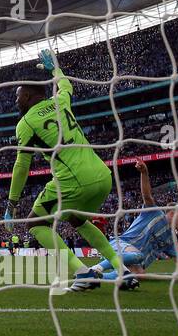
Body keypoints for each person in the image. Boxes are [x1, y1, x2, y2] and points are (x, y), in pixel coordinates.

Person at [6, 49, 125, 282]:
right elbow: (66, 85)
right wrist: (56, 69)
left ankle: (82, 273)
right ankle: (121, 268)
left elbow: (22, 165)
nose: (16, 101)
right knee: (76, 219)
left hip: (73, 180)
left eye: (18, 96)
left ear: (28, 96)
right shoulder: (60, 101)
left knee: (35, 223)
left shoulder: (26, 123)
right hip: (103, 175)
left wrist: (12, 203)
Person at [71, 159, 178, 291]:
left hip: (131, 259)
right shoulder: (155, 213)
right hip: (119, 246)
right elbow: (147, 196)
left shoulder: (171, 239)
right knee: (137, 255)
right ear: (173, 212)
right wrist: (144, 173)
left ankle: (95, 276)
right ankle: (97, 268)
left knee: (138, 274)